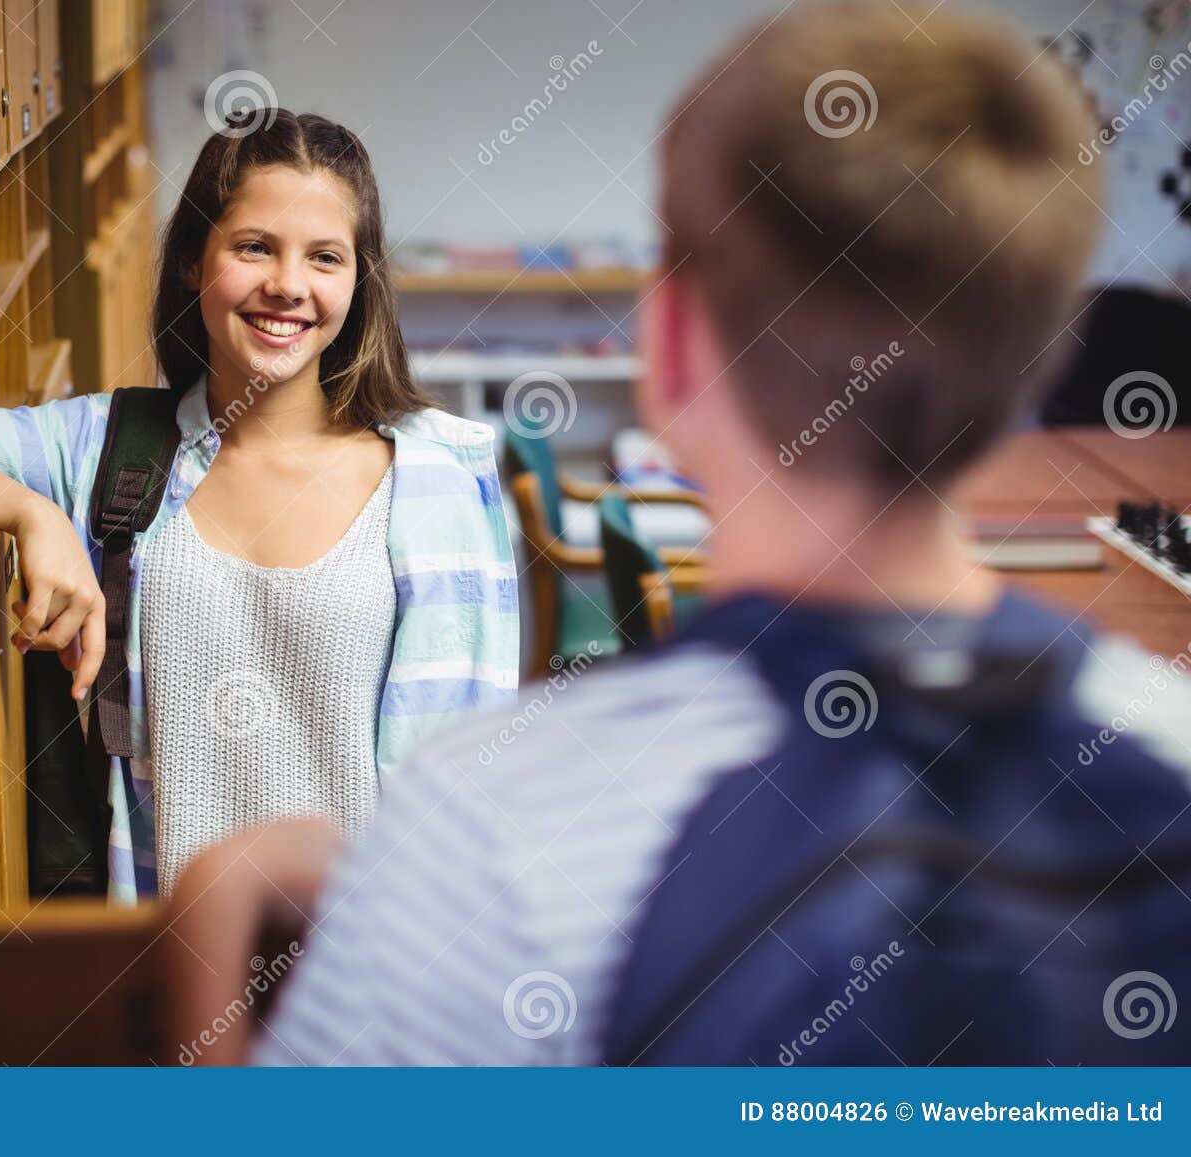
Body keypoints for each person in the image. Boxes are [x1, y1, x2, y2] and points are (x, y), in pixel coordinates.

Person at [163, 1, 1191, 1064]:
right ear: (1036, 362)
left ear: (667, 346)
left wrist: (211, 906)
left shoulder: (484, 831)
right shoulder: (1171, 740)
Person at [0, 109, 518, 903]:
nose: (287, 284)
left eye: (325, 256)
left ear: (359, 282)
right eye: (254, 246)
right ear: (193, 259)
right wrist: (31, 514)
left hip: (361, 973)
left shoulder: (436, 480)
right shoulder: (104, 447)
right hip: (164, 972)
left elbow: (466, 794)